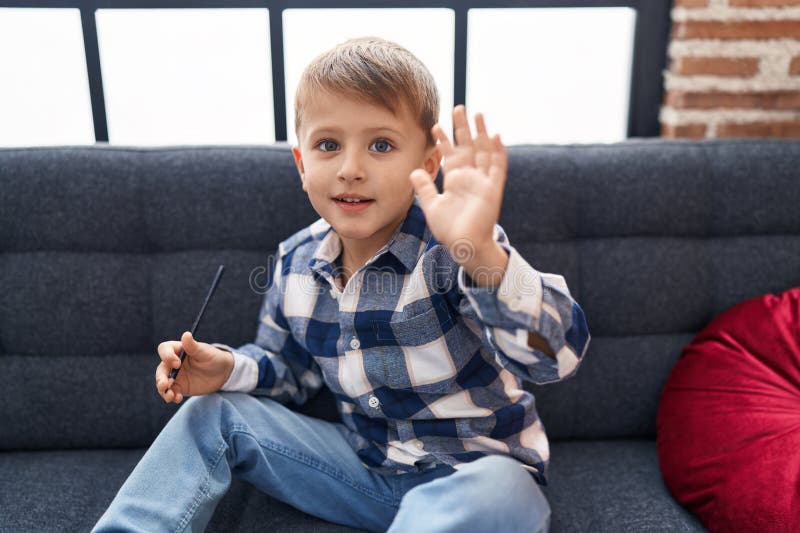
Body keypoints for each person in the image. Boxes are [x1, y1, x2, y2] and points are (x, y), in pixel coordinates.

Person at [92, 36, 590, 533]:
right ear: (302, 164)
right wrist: (227, 369)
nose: (351, 169)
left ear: (429, 163)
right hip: (361, 473)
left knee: (503, 489)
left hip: (472, 474)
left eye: (381, 145)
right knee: (210, 414)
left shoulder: (460, 247)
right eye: (329, 145)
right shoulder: (294, 264)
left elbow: (556, 356)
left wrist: (484, 255)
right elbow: (289, 371)